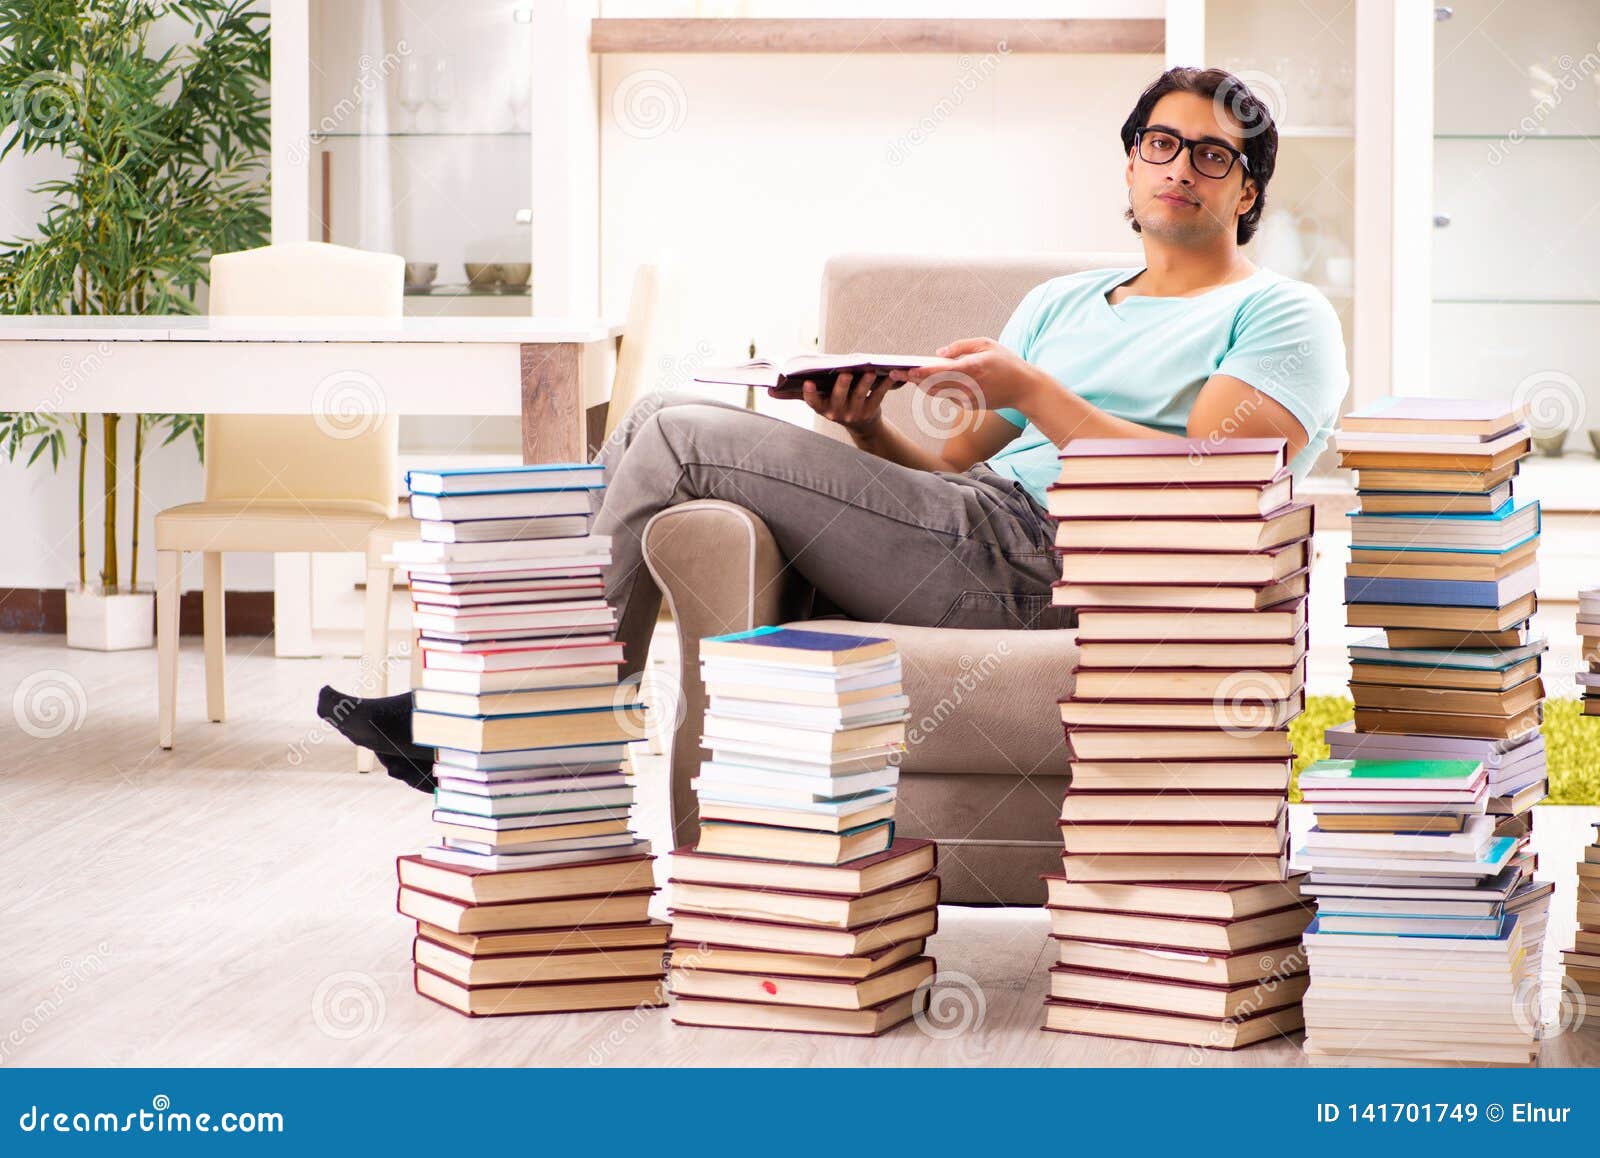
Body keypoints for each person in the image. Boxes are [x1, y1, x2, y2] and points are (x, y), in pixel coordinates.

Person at [321, 65, 1349, 791]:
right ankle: (535, 713)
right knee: (654, 413)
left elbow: (1211, 482)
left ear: (1246, 189)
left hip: (1056, 565)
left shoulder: (1279, 313)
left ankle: (536, 722)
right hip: (969, 525)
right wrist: (863, 431)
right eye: (1159, 144)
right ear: (1128, 167)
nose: (1180, 166)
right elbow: (947, 465)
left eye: (1211, 155)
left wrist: (1033, 393)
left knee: (674, 429)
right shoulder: (1065, 300)